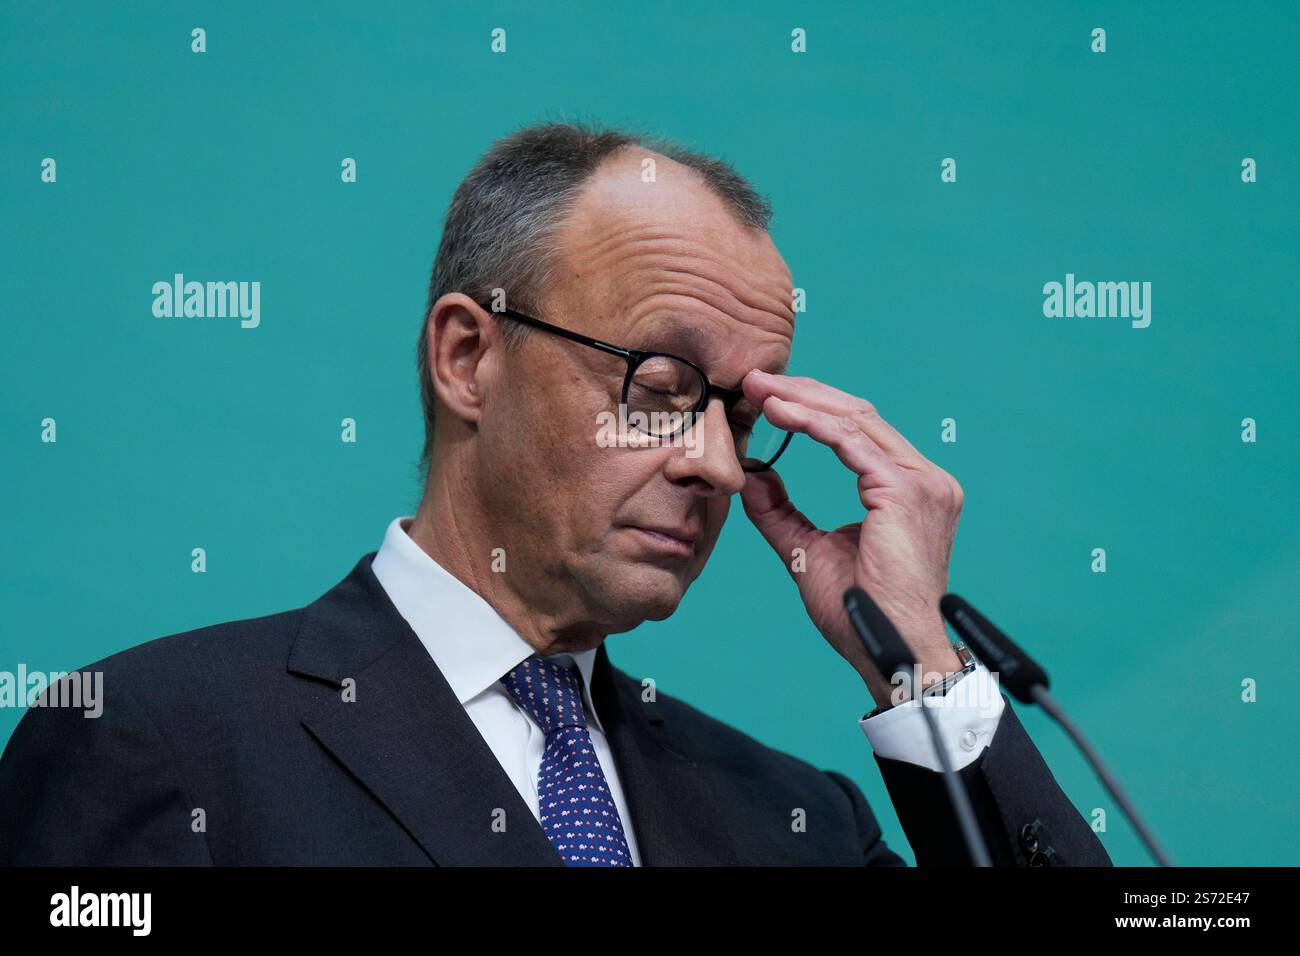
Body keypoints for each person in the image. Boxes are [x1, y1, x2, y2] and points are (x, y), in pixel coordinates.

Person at [0, 123, 1110, 866]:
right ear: (468, 358)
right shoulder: (157, 738)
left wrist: (915, 654)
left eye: (741, 415)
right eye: (664, 386)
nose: (716, 465)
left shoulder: (792, 820)